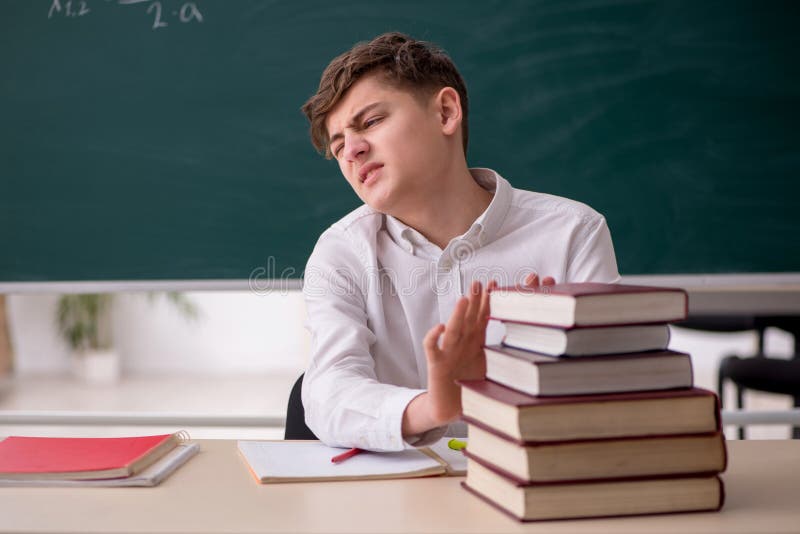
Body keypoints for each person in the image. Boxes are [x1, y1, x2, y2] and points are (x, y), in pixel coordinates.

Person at [300, 32, 619, 451]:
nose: (352, 151)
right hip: (398, 501)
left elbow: (613, 392)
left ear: (447, 112)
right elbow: (328, 392)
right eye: (338, 145)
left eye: (372, 122)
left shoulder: (572, 233)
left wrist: (537, 368)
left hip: (542, 488)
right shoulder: (341, 252)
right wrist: (435, 407)